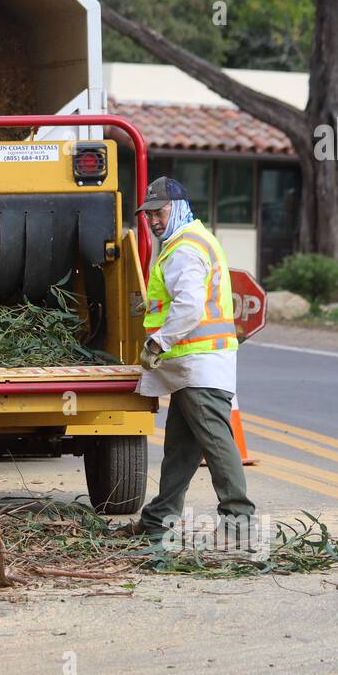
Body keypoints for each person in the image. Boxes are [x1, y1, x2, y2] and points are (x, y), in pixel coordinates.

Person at [134, 176, 256, 540]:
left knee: (217, 443)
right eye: (149, 214)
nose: (153, 220)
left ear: (180, 207)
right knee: (180, 451)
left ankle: (239, 520)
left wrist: (156, 343)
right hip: (194, 366)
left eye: (159, 211)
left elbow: (189, 307)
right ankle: (159, 520)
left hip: (199, 364)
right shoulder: (193, 240)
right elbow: (183, 299)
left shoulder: (184, 248)